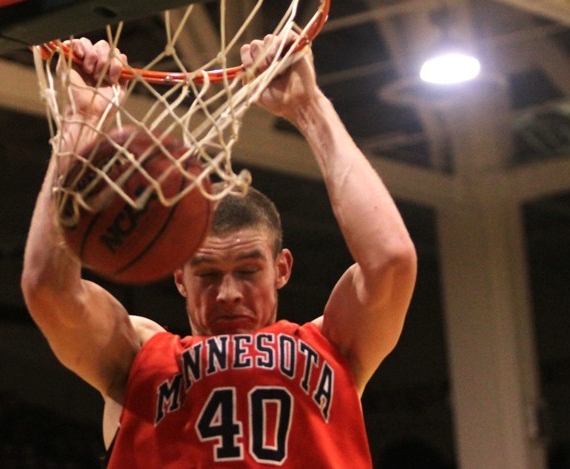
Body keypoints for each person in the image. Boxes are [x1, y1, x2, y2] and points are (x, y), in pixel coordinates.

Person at [21, 33, 417, 467]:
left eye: (247, 270)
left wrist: (310, 108)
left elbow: (392, 261)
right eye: (208, 274)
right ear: (179, 277)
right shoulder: (138, 354)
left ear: (281, 269)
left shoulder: (335, 344)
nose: (228, 293)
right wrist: (82, 125)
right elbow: (49, 290)